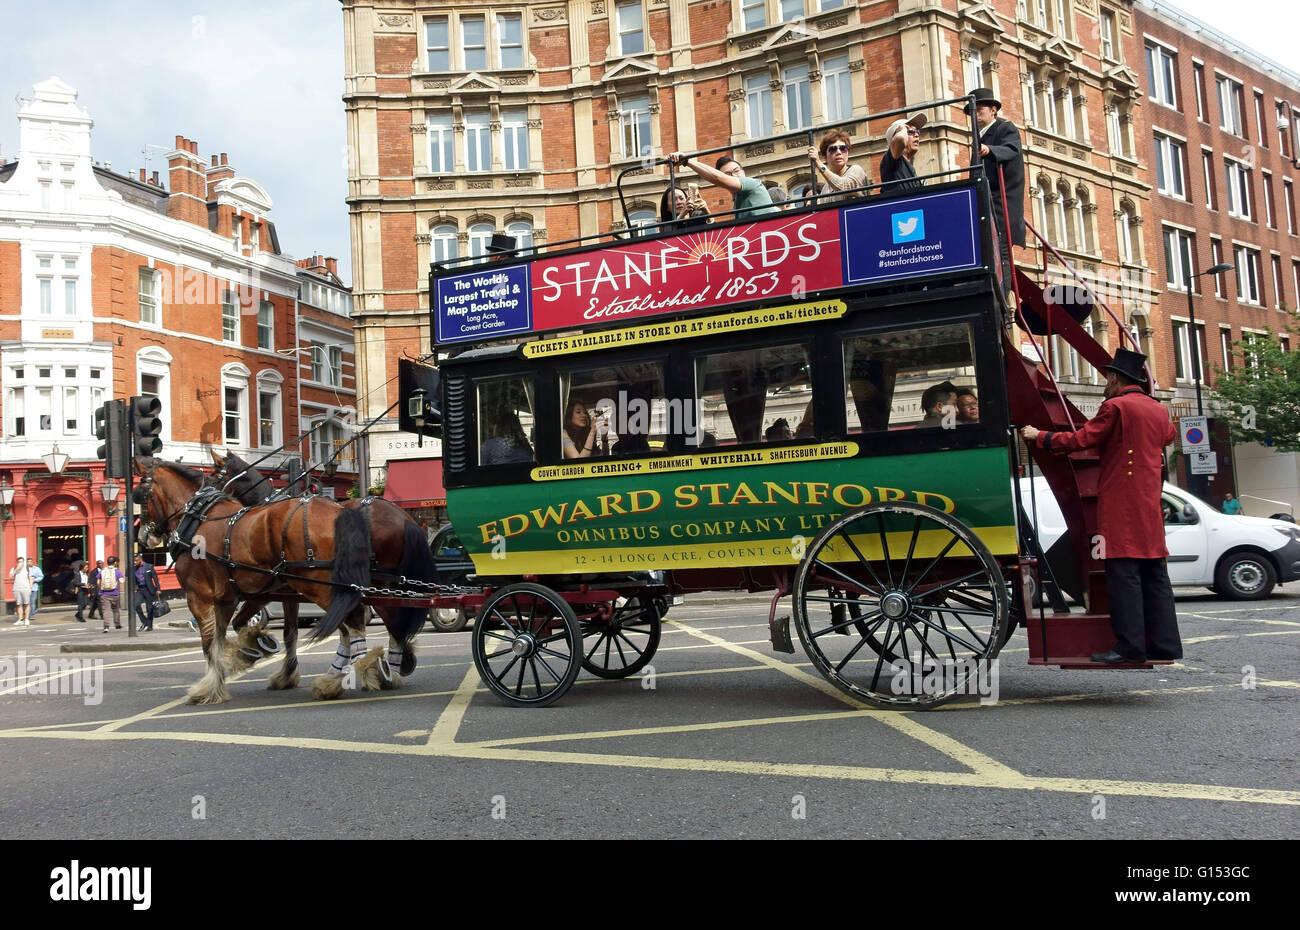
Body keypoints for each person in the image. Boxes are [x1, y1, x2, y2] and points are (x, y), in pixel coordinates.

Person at [1020, 348, 1181, 664]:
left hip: (1122, 503)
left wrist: (1040, 436)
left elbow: (1080, 440)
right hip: (1149, 502)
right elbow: (1169, 437)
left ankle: (1130, 646)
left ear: (1117, 379)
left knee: (1123, 575)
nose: (1106, 383)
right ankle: (1166, 644)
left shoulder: (1116, 407)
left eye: (1108, 378)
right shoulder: (1158, 409)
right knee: (1155, 575)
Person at [965, 87, 1025, 271]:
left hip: (1001, 206)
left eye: (980, 110)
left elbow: (1012, 149)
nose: (975, 116)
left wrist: (991, 150)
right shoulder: (978, 138)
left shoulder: (1004, 128)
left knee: (1002, 257)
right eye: (973, 112)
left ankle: (1003, 296)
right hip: (986, 205)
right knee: (989, 256)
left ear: (993, 110)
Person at [666, 152, 779, 221]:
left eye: (736, 171)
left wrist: (687, 161)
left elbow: (717, 178)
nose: (734, 176)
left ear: (743, 172)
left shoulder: (754, 184)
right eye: (728, 175)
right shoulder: (737, 202)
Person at [808, 130, 870, 204]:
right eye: (833, 149)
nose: (839, 152)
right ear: (825, 156)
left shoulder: (856, 170)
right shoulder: (825, 189)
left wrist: (818, 163)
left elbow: (845, 186)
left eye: (843, 148)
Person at [880, 114, 927, 193]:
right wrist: (902, 129)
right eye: (911, 131)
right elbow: (900, 139)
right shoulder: (890, 158)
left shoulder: (910, 167)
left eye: (917, 132)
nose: (916, 135)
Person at [134, 554, 162, 632]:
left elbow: (155, 578)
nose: (134, 562)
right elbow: (133, 579)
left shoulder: (149, 566)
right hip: (140, 589)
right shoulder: (134, 568)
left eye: (136, 560)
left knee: (149, 609)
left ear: (140, 559)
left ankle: (150, 625)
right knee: (136, 605)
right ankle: (144, 621)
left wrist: (158, 589)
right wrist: (135, 587)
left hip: (149, 589)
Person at [98, 556, 124, 632]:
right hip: (114, 593)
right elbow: (121, 581)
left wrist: (101, 588)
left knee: (106, 610)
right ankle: (117, 624)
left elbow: (98, 582)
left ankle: (106, 626)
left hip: (104, 593)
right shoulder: (117, 571)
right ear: (115, 562)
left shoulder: (102, 571)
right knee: (115, 610)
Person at [8, 556, 33, 626]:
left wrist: (30, 587)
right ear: (17, 563)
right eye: (19, 562)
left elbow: (31, 578)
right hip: (16, 588)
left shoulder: (28, 569)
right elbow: (10, 577)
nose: (20, 563)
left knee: (27, 604)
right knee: (19, 604)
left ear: (24, 562)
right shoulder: (13, 569)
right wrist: (16, 570)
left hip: (25, 588)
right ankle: (20, 619)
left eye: (21, 561)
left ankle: (27, 619)